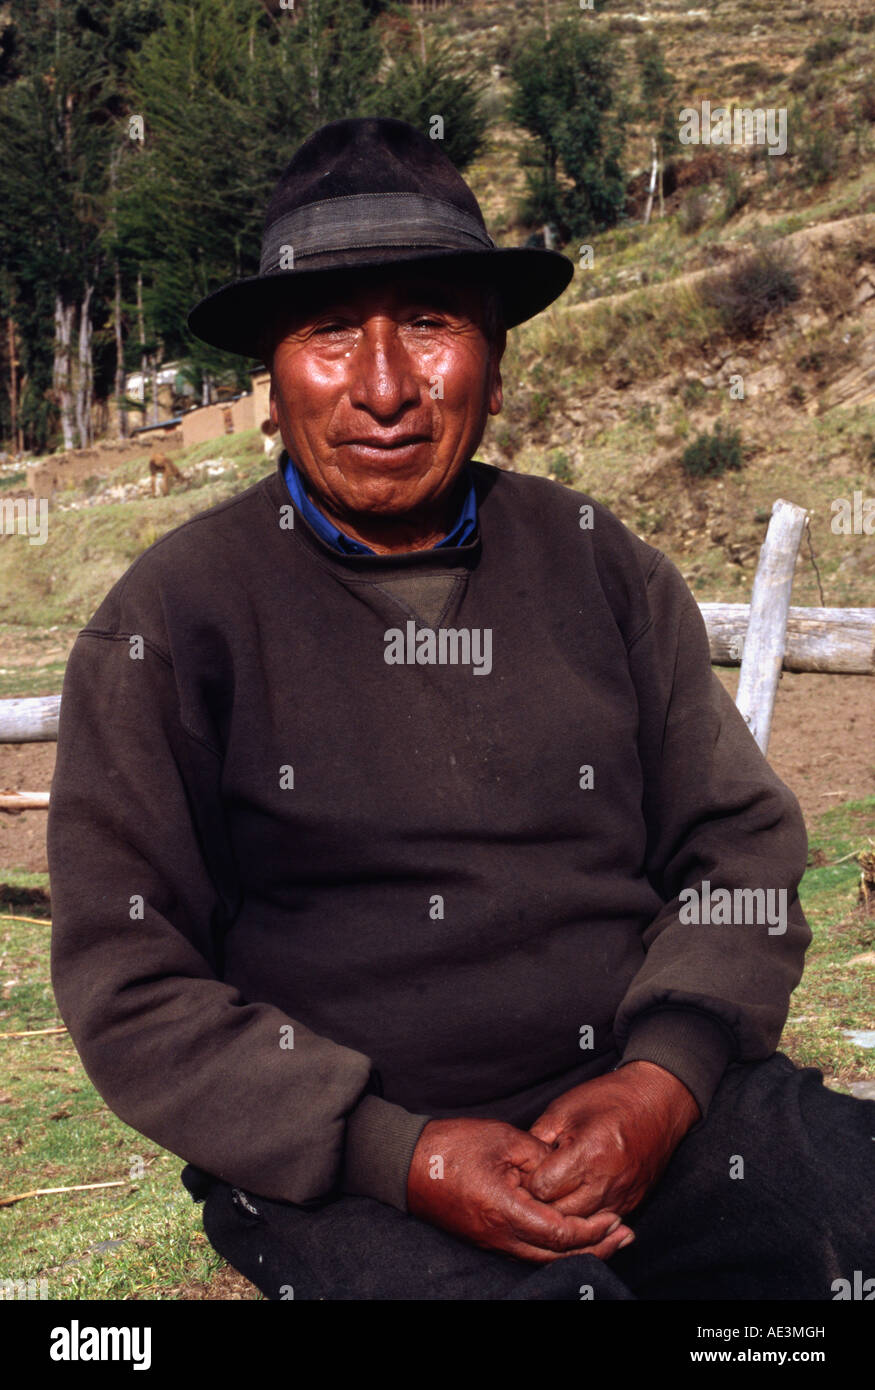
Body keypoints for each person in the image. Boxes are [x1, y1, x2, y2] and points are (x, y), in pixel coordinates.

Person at [47, 117, 874, 1301]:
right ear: (270, 383)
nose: (383, 387)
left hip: (650, 1117)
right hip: (341, 1171)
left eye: (429, 322)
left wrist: (662, 1080)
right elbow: (130, 977)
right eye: (331, 331)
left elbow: (736, 853)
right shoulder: (172, 621)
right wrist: (399, 1149)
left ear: (493, 361)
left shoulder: (601, 567)